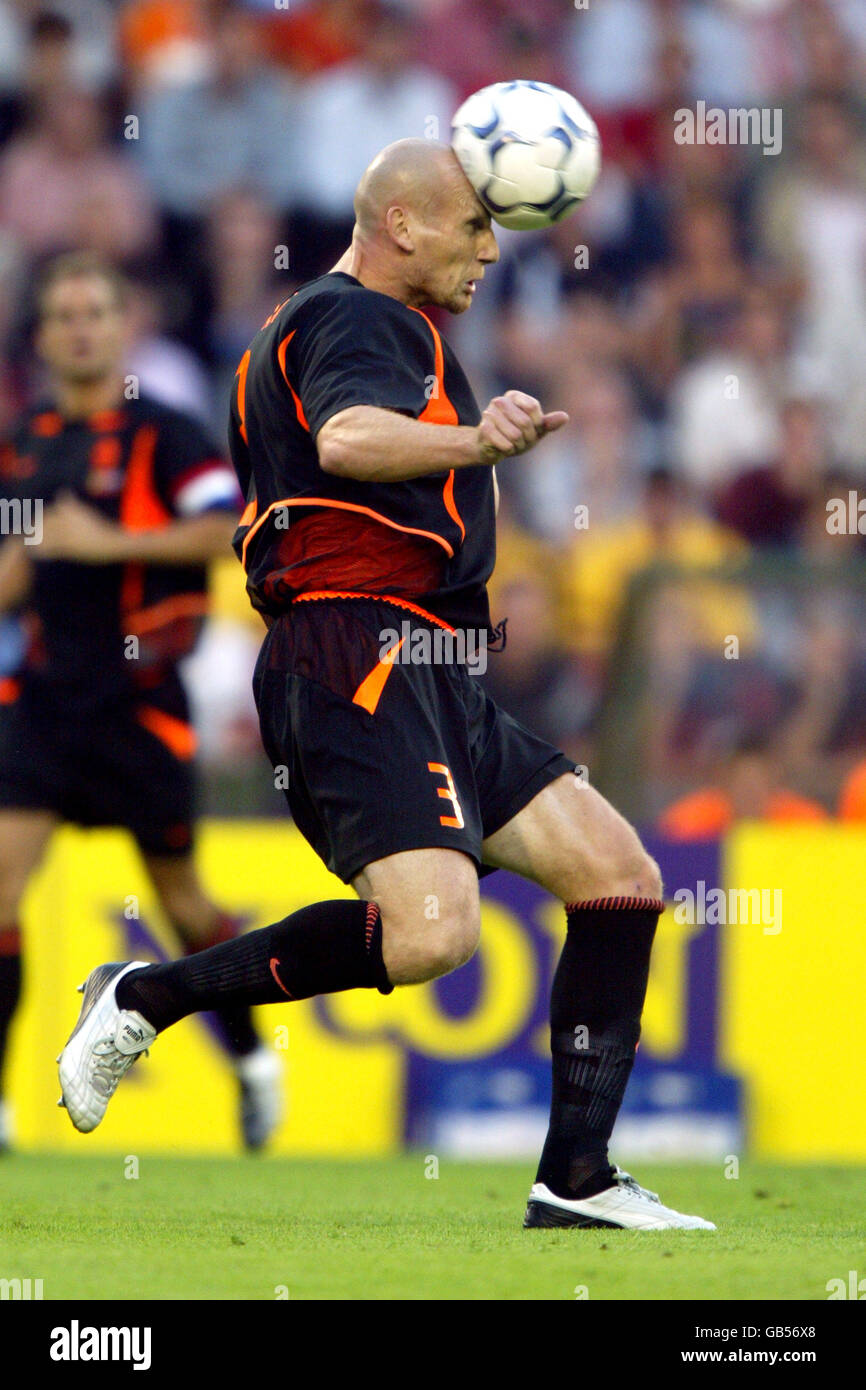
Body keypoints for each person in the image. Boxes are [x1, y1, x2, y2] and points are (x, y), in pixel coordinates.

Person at [58, 143, 714, 1231]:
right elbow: (348, 437)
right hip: (356, 648)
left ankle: (577, 1181)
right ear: (402, 224)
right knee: (426, 936)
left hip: (435, 664)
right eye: (472, 229)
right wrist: (475, 437)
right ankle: (146, 996)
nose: (490, 252)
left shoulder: (370, 326)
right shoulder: (357, 316)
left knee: (616, 873)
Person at [0, 252, 280, 1151]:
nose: (80, 328)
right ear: (41, 337)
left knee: (185, 903)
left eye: (95, 312)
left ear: (124, 328)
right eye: (63, 314)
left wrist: (105, 540)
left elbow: (222, 530)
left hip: (142, 703)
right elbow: (14, 565)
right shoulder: (23, 442)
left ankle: (248, 1057)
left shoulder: (168, 433)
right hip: (42, 699)